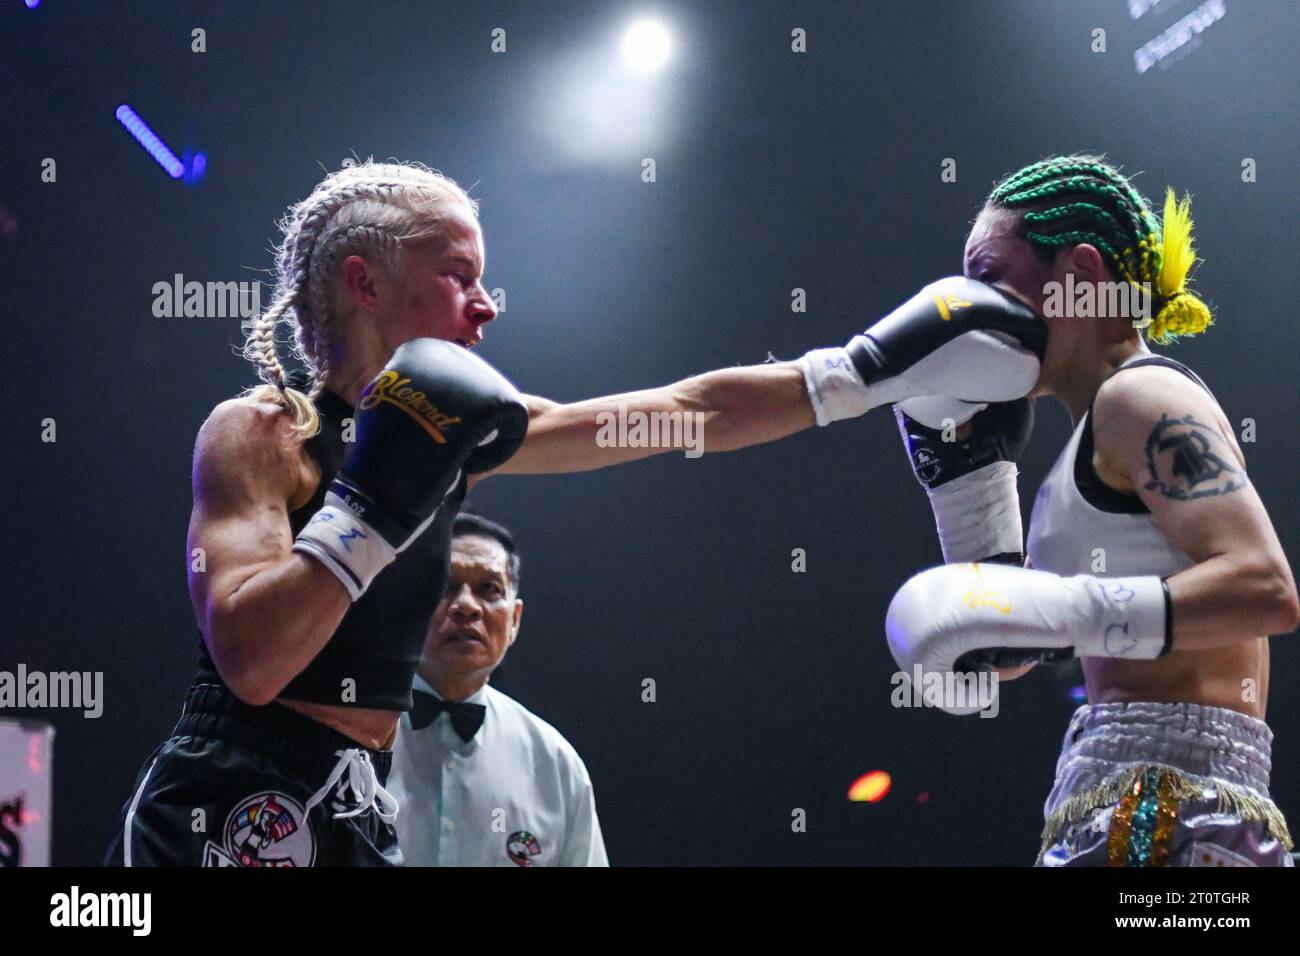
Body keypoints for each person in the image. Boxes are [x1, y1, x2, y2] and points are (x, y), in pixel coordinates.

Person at [104, 159, 1045, 866]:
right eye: (460, 275)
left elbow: (686, 414)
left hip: (358, 805)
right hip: (231, 795)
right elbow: (253, 661)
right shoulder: (267, 430)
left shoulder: (460, 447)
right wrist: (374, 501)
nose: (486, 308)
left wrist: (860, 375)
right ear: (365, 282)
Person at [887, 154, 1299, 866]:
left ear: (1079, 275)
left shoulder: (1139, 398)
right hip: (1132, 797)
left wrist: (1066, 609)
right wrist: (969, 491)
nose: (973, 306)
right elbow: (1005, 650)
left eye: (988, 275)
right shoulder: (1091, 436)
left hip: (1166, 804)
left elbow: (1264, 589)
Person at [387, 513, 607, 866]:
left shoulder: (555, 764)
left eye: (489, 589)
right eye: (445, 584)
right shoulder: (346, 740)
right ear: (409, 603)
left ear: (515, 621)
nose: (466, 606)